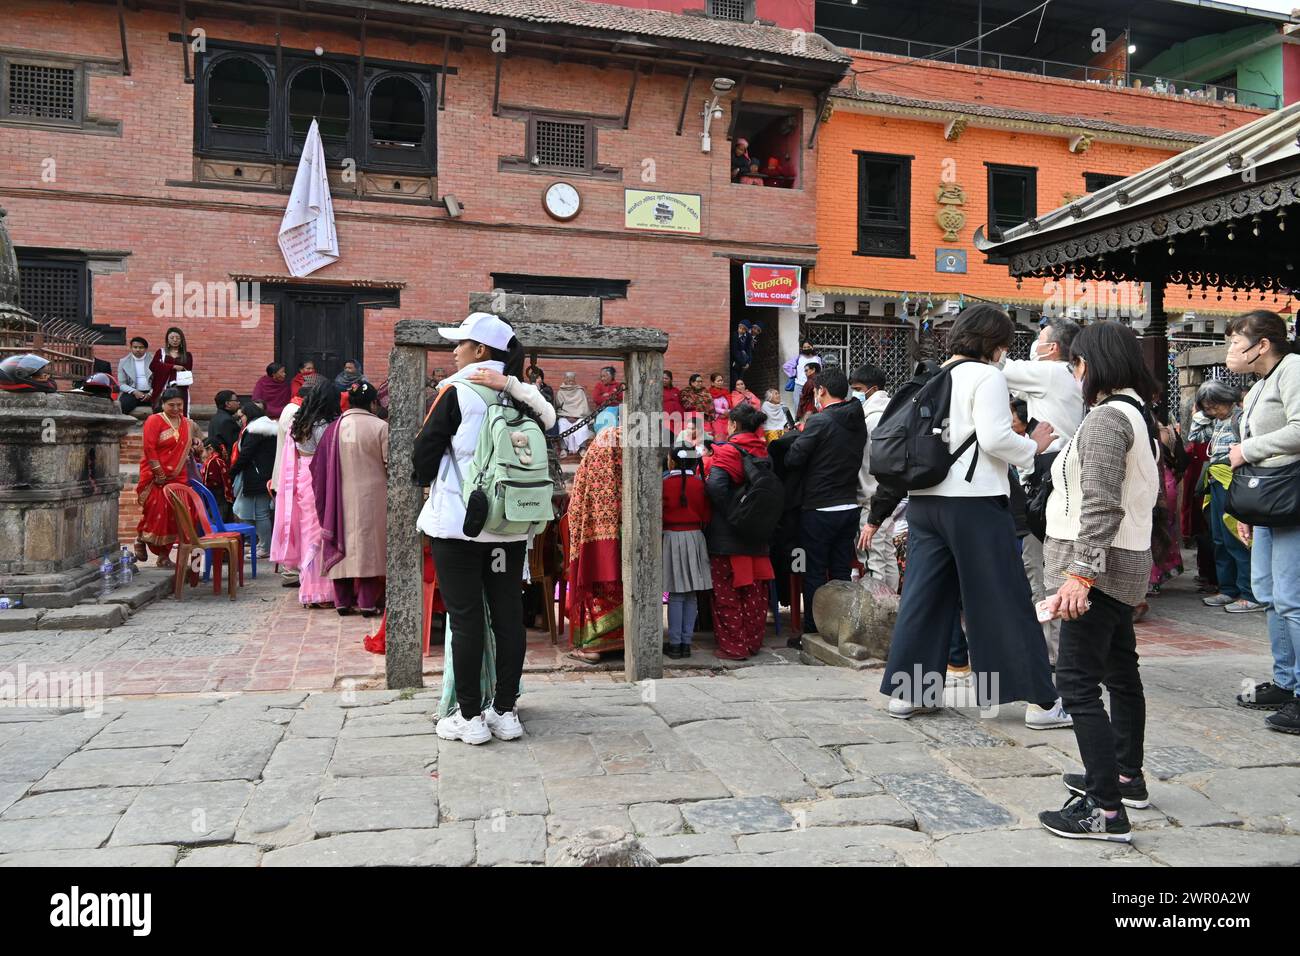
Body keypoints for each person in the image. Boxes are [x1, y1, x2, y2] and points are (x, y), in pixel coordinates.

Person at [874, 305, 1062, 725]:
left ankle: (910, 694)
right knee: (1002, 598)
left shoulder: (931, 374)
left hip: (925, 502)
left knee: (925, 597)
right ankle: (1038, 703)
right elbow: (995, 438)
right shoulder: (987, 375)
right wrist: (1034, 446)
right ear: (995, 343)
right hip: (974, 503)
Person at [1037, 321, 1163, 843]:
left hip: (1099, 570)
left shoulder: (1110, 419)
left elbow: (1101, 503)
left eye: (1074, 364)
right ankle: (1123, 776)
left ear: (1088, 365)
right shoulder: (1138, 413)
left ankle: (1104, 811)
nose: (1073, 373)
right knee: (1120, 672)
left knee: (1078, 686)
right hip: (1121, 565)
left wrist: (1079, 575)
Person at [412, 312, 556, 743]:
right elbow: (552, 422)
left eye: (460, 343)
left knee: (467, 616)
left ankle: (470, 717)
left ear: (480, 351)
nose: (453, 350)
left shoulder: (457, 392)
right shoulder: (519, 397)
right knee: (509, 615)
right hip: (510, 525)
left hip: (459, 526)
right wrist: (513, 384)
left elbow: (421, 458)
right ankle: (505, 711)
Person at [1224, 310, 1300, 732]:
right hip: (1268, 500)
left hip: (1292, 496)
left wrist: (1247, 451)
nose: (1232, 350)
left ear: (1263, 344)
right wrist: (1248, 511)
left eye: (1237, 342)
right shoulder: (1259, 385)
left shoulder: (1293, 369)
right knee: (1268, 593)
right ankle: (1285, 681)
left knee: (1291, 598)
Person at [1002, 317, 1085, 669]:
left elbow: (1000, 368)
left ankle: (1049, 655)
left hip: (1047, 478)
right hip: (1060, 476)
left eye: (1038, 339)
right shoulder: (1066, 378)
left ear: (1052, 348)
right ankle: (1058, 651)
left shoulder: (1050, 372)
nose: (1034, 345)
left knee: (1040, 568)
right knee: (1051, 567)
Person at [784, 367, 868, 640]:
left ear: (822, 391)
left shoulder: (821, 421)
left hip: (820, 506)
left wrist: (796, 435)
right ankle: (842, 628)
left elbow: (794, 458)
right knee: (841, 572)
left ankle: (814, 629)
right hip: (848, 505)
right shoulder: (857, 419)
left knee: (815, 572)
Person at [703, 402, 776, 659]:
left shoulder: (726, 452)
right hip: (758, 533)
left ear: (733, 425)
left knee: (727, 595)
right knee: (755, 595)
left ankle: (734, 647)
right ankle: (752, 644)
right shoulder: (764, 452)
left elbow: (715, 489)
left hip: (728, 536)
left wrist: (735, 513)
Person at [313, 381, 389, 616]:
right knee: (368, 548)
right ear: (374, 403)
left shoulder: (333, 428)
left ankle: (342, 602)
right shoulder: (380, 427)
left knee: (340, 544)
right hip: (372, 496)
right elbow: (391, 464)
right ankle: (367, 603)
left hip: (337, 497)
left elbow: (317, 466)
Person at [1192, 380, 1262, 613]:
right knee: (1219, 539)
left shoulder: (1240, 419)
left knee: (1236, 537)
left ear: (1227, 400)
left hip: (1232, 482)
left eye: (1213, 405)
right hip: (1215, 482)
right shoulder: (1218, 421)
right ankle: (1228, 588)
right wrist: (1200, 414)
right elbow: (1196, 435)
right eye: (1206, 406)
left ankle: (1249, 592)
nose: (1210, 410)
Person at [270, 380, 341, 608]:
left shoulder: (301, 422)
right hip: (318, 478)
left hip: (303, 478)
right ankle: (320, 591)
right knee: (320, 534)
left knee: (309, 533)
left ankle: (310, 588)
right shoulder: (324, 426)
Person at [565, 426, 625, 663]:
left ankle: (593, 646)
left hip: (595, 539)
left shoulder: (595, 462)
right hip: (626, 533)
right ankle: (622, 640)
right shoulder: (627, 465)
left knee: (595, 584)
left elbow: (577, 508)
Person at [134, 387, 198, 567]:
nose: (176, 408)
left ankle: (164, 556)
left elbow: (195, 441)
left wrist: (196, 442)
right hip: (155, 475)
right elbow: (149, 448)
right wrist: (158, 472)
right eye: (172, 405)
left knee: (177, 514)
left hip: (179, 475)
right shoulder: (154, 420)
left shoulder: (187, 423)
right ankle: (141, 538)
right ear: (162, 404)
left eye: (180, 405)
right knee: (155, 511)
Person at [849, 364, 898, 591]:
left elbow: (865, 460)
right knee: (887, 554)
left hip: (871, 498)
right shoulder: (893, 412)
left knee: (873, 558)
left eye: (858, 388)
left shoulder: (870, 419)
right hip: (889, 498)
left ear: (873, 388)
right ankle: (893, 612)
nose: (855, 394)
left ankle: (878, 616)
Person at [663, 445, 712, 659]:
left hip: (671, 537)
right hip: (695, 537)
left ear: (672, 462)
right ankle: (686, 643)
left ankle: (674, 644)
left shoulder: (664, 484)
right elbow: (707, 515)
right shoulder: (700, 485)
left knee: (676, 593)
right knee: (691, 593)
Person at [230, 400, 278, 559]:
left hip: (257, 476)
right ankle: (262, 544)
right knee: (257, 512)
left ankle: (265, 547)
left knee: (261, 514)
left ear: (248, 415)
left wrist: (232, 471)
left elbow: (246, 454)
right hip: (264, 475)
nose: (240, 420)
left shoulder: (255, 430)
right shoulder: (267, 428)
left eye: (241, 416)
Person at [148, 326, 194, 414]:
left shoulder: (187, 355)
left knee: (180, 413)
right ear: (167, 340)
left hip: (180, 389)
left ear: (181, 340)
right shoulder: (161, 352)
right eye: (172, 338)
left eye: (177, 338)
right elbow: (153, 366)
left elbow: (188, 371)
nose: (175, 340)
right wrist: (172, 367)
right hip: (162, 388)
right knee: (161, 413)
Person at [554, 371, 592, 458]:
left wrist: (577, 416)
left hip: (578, 417)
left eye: (572, 380)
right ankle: (564, 449)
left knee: (583, 425)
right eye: (568, 380)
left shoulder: (580, 391)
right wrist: (567, 415)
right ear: (565, 380)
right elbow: (559, 407)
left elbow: (583, 406)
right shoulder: (561, 392)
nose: (570, 382)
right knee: (561, 424)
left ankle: (582, 448)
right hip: (565, 417)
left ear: (575, 380)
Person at [201, 437, 235, 524]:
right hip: (223, 498)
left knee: (217, 522)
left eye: (203, 451)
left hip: (217, 498)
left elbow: (213, 483)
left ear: (210, 449)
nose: (202, 455)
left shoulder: (213, 462)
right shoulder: (219, 461)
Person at [117, 336, 153, 413]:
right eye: (135, 347)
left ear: (146, 349)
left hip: (151, 391)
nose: (138, 350)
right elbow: (121, 384)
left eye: (141, 347)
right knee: (124, 405)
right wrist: (134, 391)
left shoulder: (154, 360)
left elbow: (160, 381)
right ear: (131, 348)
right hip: (132, 391)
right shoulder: (123, 362)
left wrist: (150, 394)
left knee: (161, 406)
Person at [679, 373, 715, 441]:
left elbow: (711, 404)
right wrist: (702, 406)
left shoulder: (705, 392)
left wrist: (699, 405)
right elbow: (687, 405)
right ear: (692, 382)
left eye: (701, 381)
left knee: (706, 438)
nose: (700, 383)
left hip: (706, 418)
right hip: (692, 418)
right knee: (693, 438)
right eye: (698, 381)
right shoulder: (686, 392)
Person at [208, 390, 242, 458]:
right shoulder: (227, 420)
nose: (239, 402)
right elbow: (235, 445)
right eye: (236, 400)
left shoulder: (215, 418)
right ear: (228, 404)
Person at [592, 366, 623, 436]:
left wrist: (606, 395)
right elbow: (596, 399)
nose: (602, 378)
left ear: (611, 376)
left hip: (614, 410)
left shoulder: (618, 385)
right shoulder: (599, 385)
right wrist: (612, 396)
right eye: (601, 376)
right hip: (601, 410)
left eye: (604, 376)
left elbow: (621, 397)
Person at [708, 373, 732, 440]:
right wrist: (723, 411)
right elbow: (710, 407)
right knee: (719, 438)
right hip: (717, 419)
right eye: (718, 381)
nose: (720, 382)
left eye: (721, 380)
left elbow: (731, 404)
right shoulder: (709, 393)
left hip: (727, 418)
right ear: (712, 383)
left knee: (729, 437)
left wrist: (728, 412)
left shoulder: (726, 392)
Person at [663, 370, 684, 436]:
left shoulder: (676, 390)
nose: (664, 380)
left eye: (666, 378)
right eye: (662, 378)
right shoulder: (658, 390)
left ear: (671, 380)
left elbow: (681, 402)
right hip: (666, 417)